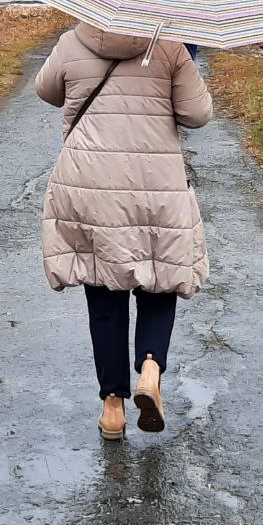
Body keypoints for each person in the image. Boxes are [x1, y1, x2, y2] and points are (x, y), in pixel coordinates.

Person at [35, 22, 213, 440]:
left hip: (89, 182)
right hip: (156, 180)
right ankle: (150, 368)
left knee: (102, 290)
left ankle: (112, 407)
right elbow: (197, 114)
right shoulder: (168, 47)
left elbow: (47, 91)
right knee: (159, 278)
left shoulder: (73, 40)